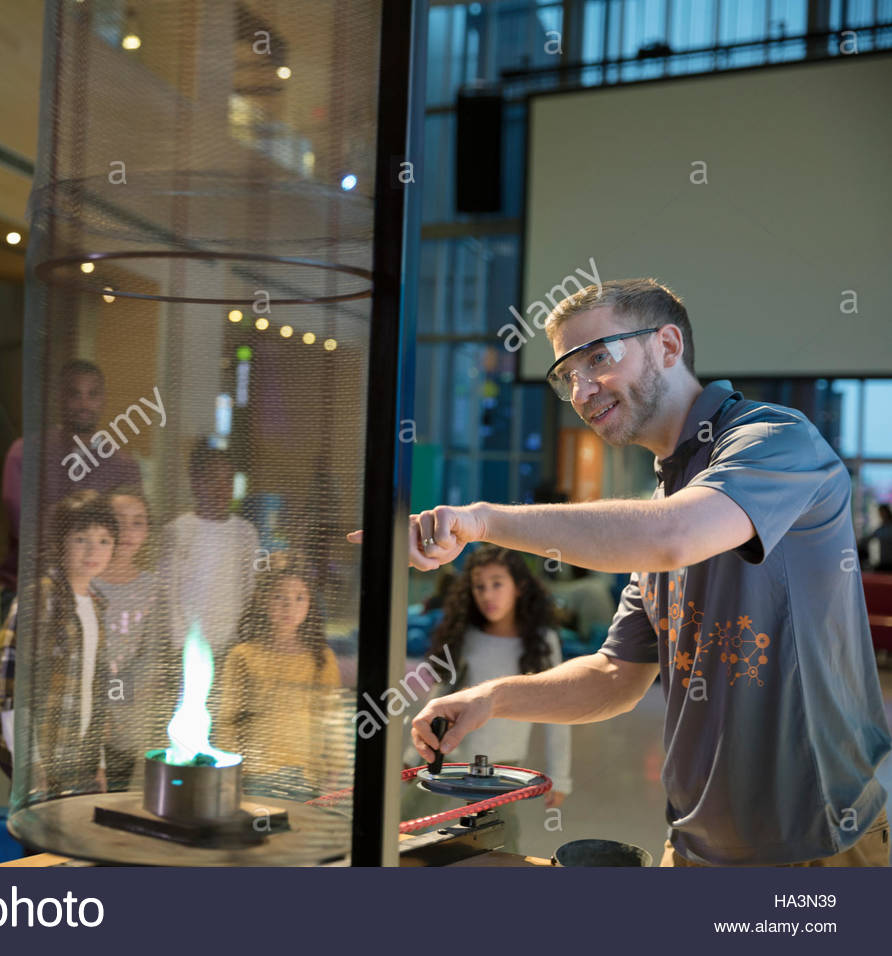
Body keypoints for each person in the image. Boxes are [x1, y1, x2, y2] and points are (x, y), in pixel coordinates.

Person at [359, 278, 890, 867]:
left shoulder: (774, 440)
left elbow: (673, 536)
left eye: (598, 358)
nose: (583, 390)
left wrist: (481, 520)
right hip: (695, 843)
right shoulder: (664, 496)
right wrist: (491, 697)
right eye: (567, 376)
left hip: (816, 844)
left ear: (667, 344)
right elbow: (615, 676)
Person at [405, 545, 570, 840]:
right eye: (479, 586)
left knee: (498, 837)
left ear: (519, 587)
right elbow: (443, 696)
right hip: (447, 756)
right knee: (409, 824)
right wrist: (412, 752)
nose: (488, 594)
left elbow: (557, 711)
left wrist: (560, 777)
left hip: (504, 764)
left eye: (497, 583)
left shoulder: (542, 641)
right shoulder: (466, 635)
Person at [0, 490, 117, 795]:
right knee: (38, 840)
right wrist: (32, 764)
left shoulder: (97, 605)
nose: (93, 550)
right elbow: (11, 687)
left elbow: (96, 692)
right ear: (59, 542)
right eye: (81, 538)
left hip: (76, 754)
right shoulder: (39, 598)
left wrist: (99, 762)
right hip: (39, 752)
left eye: (105, 540)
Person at [0, 360, 143, 624]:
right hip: (30, 589)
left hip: (97, 593)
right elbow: (25, 528)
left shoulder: (123, 465)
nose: (84, 403)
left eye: (92, 394)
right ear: (58, 398)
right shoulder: (26, 454)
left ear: (103, 399)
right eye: (74, 393)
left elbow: (127, 534)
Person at [216, 566, 343, 798]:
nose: (289, 606)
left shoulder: (321, 657)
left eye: (299, 597)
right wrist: (230, 775)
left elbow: (331, 717)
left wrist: (333, 777)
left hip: (306, 773)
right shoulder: (243, 655)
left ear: (310, 604)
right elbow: (228, 718)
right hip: (254, 773)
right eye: (279, 596)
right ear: (263, 600)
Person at [162, 439, 259, 657]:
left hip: (230, 640)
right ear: (196, 483)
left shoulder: (245, 533)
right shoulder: (179, 530)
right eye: (213, 479)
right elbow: (168, 591)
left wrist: (241, 637)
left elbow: (248, 588)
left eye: (228, 480)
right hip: (188, 642)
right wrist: (179, 641)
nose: (221, 488)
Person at [93, 488, 159, 790]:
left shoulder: (152, 586)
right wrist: (97, 708)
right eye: (119, 521)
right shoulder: (86, 581)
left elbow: (151, 655)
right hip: (80, 710)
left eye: (139, 522)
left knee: (112, 793)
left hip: (125, 720)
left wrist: (115, 706)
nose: (128, 531)